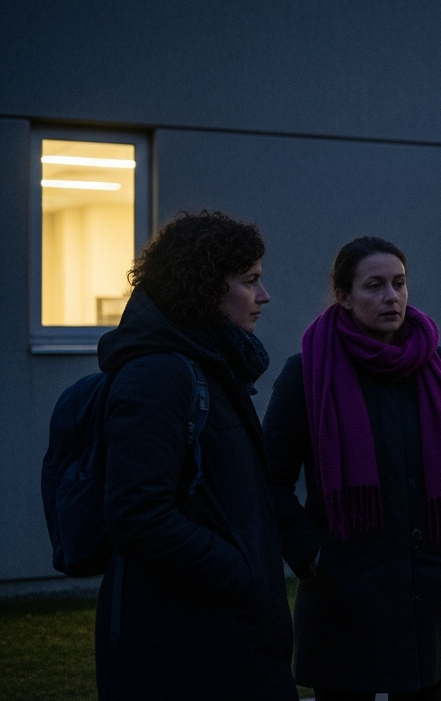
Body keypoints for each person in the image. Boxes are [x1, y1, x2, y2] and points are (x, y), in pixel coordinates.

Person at [262, 236, 441, 701]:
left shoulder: (439, 365)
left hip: (428, 594)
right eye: (374, 286)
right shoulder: (308, 373)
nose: (392, 297)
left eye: (399, 283)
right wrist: (314, 555)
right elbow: (269, 481)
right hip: (345, 597)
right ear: (344, 296)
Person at [95, 211, 295, 700]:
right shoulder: (160, 375)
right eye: (250, 282)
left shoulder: (212, 367)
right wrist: (239, 573)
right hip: (188, 654)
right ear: (206, 288)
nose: (263, 296)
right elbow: (140, 514)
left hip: (227, 642)